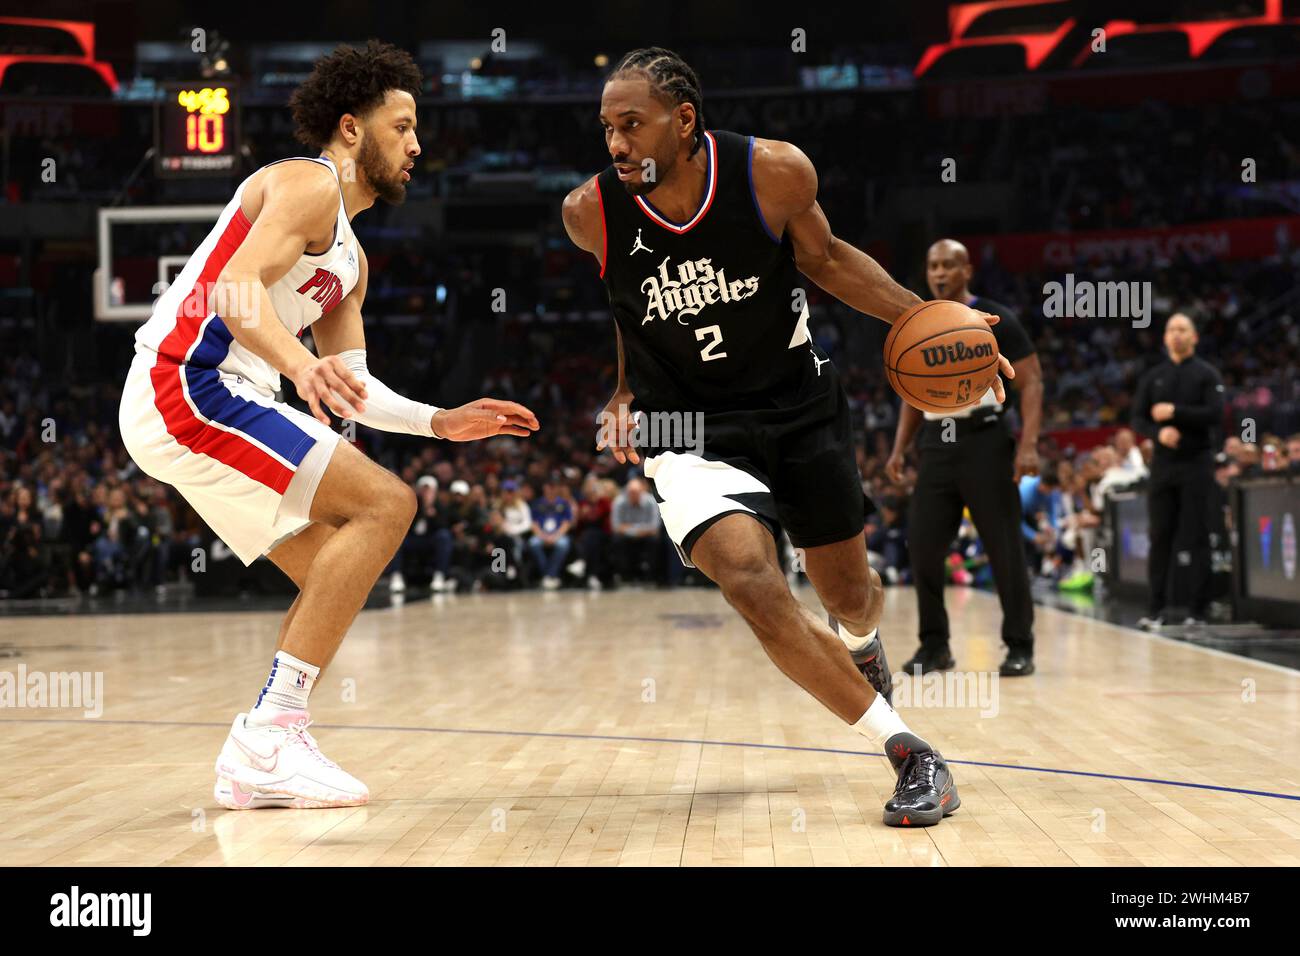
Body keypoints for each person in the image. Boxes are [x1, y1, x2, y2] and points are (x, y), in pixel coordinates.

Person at [562, 48, 1016, 826]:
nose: (616, 144)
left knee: (847, 591)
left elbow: (830, 260)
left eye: (631, 125)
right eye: (607, 128)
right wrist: (628, 386)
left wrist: (933, 323)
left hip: (797, 406)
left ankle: (863, 643)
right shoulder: (588, 212)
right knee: (750, 579)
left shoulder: (770, 173)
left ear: (684, 120)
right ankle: (911, 750)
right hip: (689, 427)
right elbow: (625, 304)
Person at [117, 41, 539, 810]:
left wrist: (440, 422)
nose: (417, 145)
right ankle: (271, 731)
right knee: (388, 505)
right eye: (402, 125)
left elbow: (355, 388)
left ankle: (263, 751)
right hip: (188, 380)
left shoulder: (352, 260)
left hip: (199, 402)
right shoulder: (308, 185)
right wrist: (299, 366)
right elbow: (235, 294)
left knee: (331, 580)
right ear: (351, 128)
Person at [886, 239, 1043, 677]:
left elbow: (1032, 382)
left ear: (967, 270)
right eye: (933, 265)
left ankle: (1020, 645)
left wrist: (1028, 444)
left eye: (948, 266)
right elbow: (910, 394)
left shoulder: (995, 318)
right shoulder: (920, 322)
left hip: (987, 440)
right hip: (936, 444)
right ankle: (934, 646)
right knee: (922, 546)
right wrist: (900, 448)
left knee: (1004, 546)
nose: (939, 273)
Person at [1132, 312, 1225, 628]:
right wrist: (1159, 433)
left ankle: (1197, 611)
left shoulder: (1207, 374)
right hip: (1163, 465)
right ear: (1165, 338)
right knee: (1160, 536)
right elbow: (1137, 419)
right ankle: (1155, 608)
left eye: (1183, 329)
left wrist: (1176, 413)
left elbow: (1215, 414)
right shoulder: (1153, 376)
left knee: (1196, 534)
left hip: (1197, 462)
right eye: (1171, 329)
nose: (1177, 334)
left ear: (1194, 337)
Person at [610, 477, 661, 583]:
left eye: (635, 492)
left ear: (642, 491)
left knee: (655, 540)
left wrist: (630, 528)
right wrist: (638, 531)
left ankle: (650, 576)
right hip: (628, 536)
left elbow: (654, 527)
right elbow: (616, 526)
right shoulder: (619, 502)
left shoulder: (651, 502)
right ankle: (624, 575)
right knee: (616, 540)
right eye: (630, 492)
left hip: (645, 536)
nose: (633, 495)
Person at [529, 481, 573, 589]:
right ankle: (548, 575)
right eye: (549, 486)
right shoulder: (537, 503)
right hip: (541, 535)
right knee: (533, 543)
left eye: (553, 487)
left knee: (563, 544)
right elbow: (534, 523)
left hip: (558, 535)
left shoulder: (563, 503)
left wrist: (556, 536)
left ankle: (550, 575)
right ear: (545, 487)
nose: (551, 489)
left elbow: (566, 523)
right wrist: (542, 536)